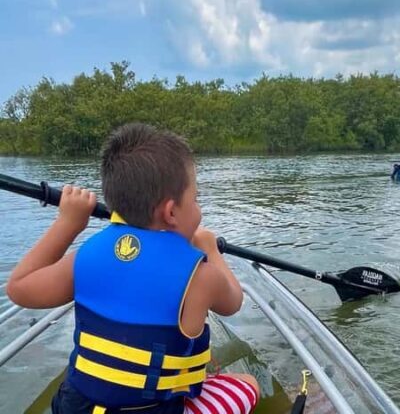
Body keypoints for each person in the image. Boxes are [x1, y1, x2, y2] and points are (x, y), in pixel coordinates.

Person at [7, 123, 260, 414]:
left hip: (75, 406)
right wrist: (210, 248)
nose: (199, 208)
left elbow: (19, 287)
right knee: (247, 383)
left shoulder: (85, 257)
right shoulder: (201, 277)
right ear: (171, 212)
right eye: (196, 199)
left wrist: (68, 224)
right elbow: (233, 302)